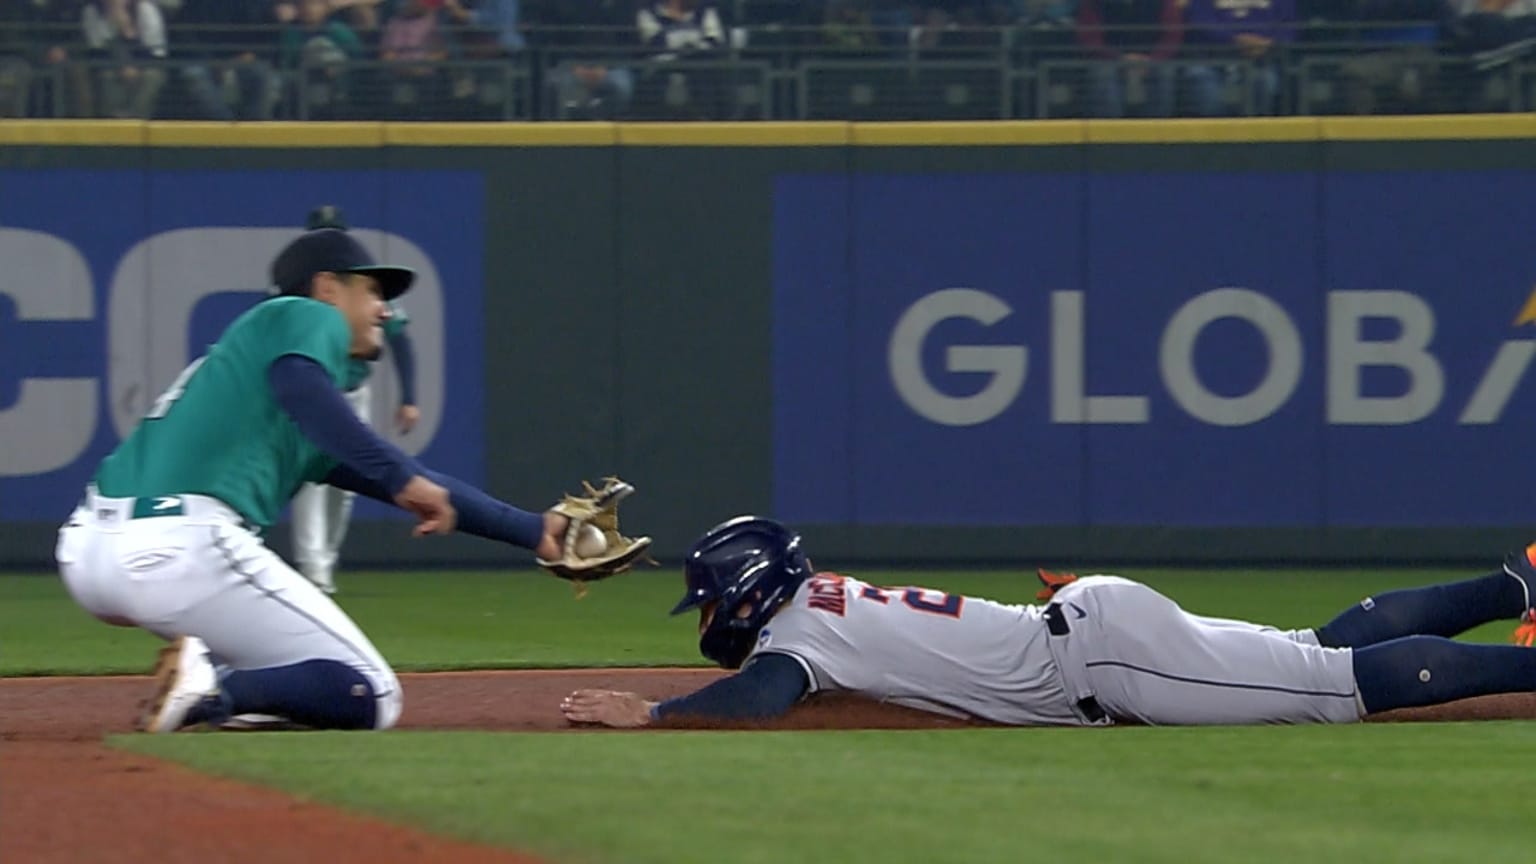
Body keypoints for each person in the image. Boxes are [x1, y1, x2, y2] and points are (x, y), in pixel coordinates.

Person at [56, 227, 574, 734]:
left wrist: (532, 531)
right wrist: (397, 476)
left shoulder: (264, 387)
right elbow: (306, 388)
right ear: (328, 288)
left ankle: (211, 694)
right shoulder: (301, 315)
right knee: (372, 692)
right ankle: (212, 685)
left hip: (90, 552)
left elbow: (415, 480)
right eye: (372, 290)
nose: (385, 310)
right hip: (179, 547)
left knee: (310, 685)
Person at [562, 516, 1536, 728]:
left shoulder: (799, 638)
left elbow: (762, 695)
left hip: (1106, 660)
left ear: (743, 591)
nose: (708, 620)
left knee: (1328, 685)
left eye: (709, 601)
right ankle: (1515, 583)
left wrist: (653, 714)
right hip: (1091, 623)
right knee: (1313, 651)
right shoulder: (825, 601)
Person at [285, 206, 420, 595]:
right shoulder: (297, 283)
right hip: (315, 388)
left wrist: (409, 396)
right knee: (311, 480)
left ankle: (324, 558)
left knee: (345, 486)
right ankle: (314, 571)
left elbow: (400, 339)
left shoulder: (360, 279)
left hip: (354, 391)